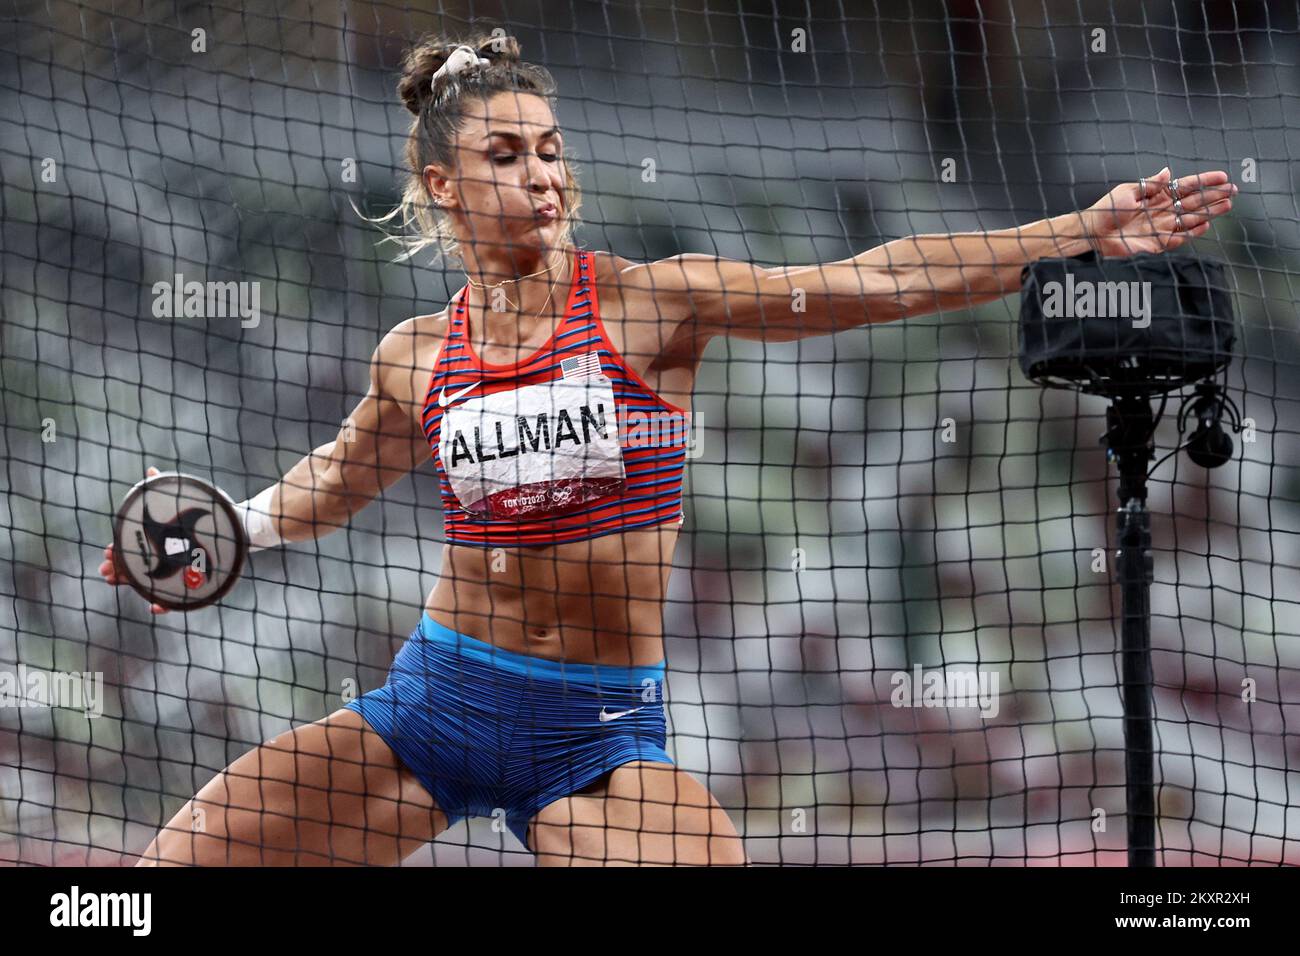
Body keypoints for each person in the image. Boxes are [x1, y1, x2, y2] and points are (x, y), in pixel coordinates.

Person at [105, 32, 1236, 866]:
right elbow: (331, 483)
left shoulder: (654, 305)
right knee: (153, 885)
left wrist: (1077, 232)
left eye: (550, 149)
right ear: (443, 186)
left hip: (595, 737)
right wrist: (215, 531)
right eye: (507, 154)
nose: (543, 175)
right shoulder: (414, 353)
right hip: (429, 709)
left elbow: (875, 279)